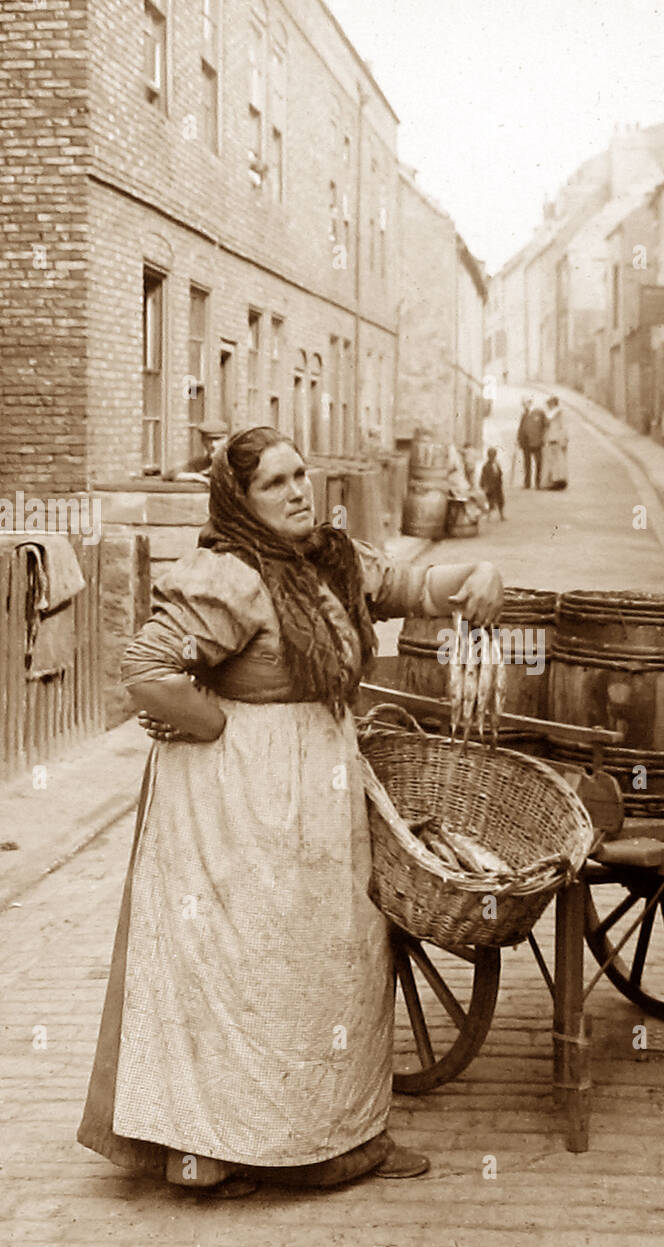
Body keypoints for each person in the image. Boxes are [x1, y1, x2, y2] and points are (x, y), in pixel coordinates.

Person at [77, 426, 503, 1198]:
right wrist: (213, 726)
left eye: (301, 474)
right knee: (247, 965)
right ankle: (223, 1147)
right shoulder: (230, 575)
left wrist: (478, 572)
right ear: (239, 499)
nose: (299, 491)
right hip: (237, 796)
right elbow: (147, 666)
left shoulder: (332, 560)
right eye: (275, 483)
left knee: (330, 960)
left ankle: (334, 1140)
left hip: (322, 787)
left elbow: (410, 588)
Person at [516, 395, 546, 489]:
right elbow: (521, 428)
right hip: (526, 443)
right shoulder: (524, 414)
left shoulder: (539, 412)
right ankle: (527, 483)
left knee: (539, 463)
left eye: (525, 404)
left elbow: (545, 426)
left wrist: (543, 438)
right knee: (527, 464)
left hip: (537, 442)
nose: (524, 406)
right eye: (523, 404)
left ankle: (538, 483)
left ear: (529, 403)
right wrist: (519, 439)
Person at [541, 396, 569, 491]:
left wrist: (563, 441)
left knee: (557, 462)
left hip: (557, 441)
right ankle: (554, 481)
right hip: (551, 440)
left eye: (549, 404)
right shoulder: (552, 414)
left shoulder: (558, 413)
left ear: (553, 404)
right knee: (553, 463)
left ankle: (558, 482)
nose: (548, 406)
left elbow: (563, 428)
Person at [480, 446, 506, 520]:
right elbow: (483, 477)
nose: (492, 457)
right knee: (490, 502)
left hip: (497, 486)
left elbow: (500, 473)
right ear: (488, 456)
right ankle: (488, 516)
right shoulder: (486, 466)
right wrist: (484, 486)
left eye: (494, 455)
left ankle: (501, 515)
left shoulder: (497, 464)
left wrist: (500, 481)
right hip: (490, 487)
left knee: (500, 501)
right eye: (491, 455)